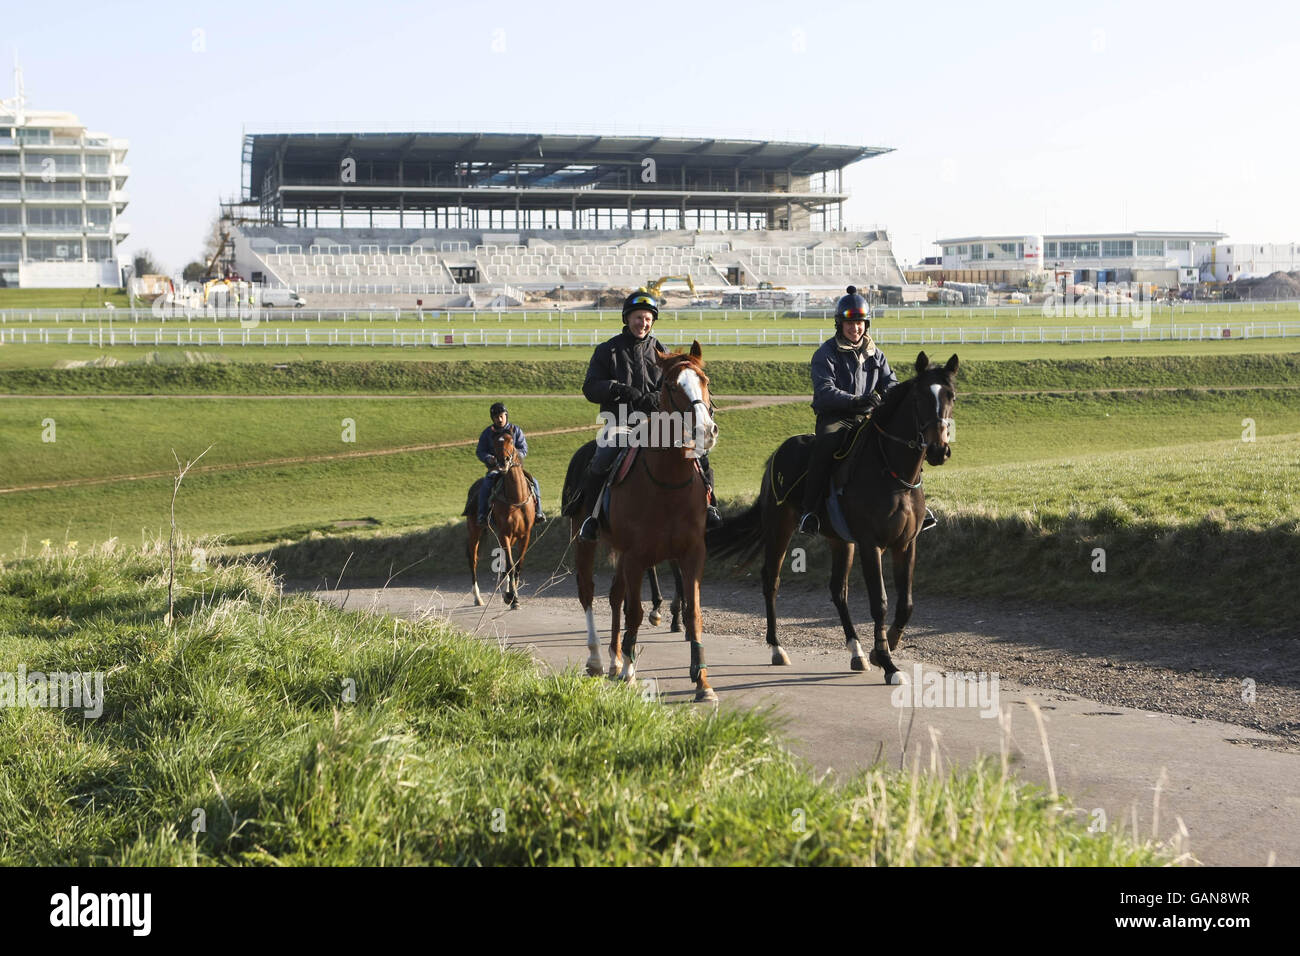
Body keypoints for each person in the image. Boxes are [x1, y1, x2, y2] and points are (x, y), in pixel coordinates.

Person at [571, 290, 723, 541]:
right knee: (604, 454)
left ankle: (709, 506)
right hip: (619, 421)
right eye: (638, 317)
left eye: (648, 319)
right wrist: (618, 389)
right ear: (627, 318)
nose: (643, 323)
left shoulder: (662, 351)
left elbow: (678, 384)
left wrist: (655, 396)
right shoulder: (607, 351)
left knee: (697, 450)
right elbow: (590, 387)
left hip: (659, 422)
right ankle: (592, 517)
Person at [797, 286, 937, 535]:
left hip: (867, 417)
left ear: (866, 324)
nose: (855, 328)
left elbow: (891, 384)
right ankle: (810, 511)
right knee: (824, 447)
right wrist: (856, 400)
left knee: (904, 444)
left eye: (860, 323)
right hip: (836, 419)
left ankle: (918, 507)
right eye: (850, 323)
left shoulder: (877, 355)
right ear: (839, 325)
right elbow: (825, 391)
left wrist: (884, 399)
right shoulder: (825, 354)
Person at [476, 401, 545, 524]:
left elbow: (523, 448)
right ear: (493, 419)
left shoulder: (516, 430)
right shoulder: (487, 433)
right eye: (496, 417)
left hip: (515, 468)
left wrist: (514, 457)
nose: (499, 419)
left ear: (506, 415)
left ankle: (538, 512)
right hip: (497, 468)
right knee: (486, 484)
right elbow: (480, 451)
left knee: (534, 482)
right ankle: (483, 514)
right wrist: (488, 458)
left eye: (501, 416)